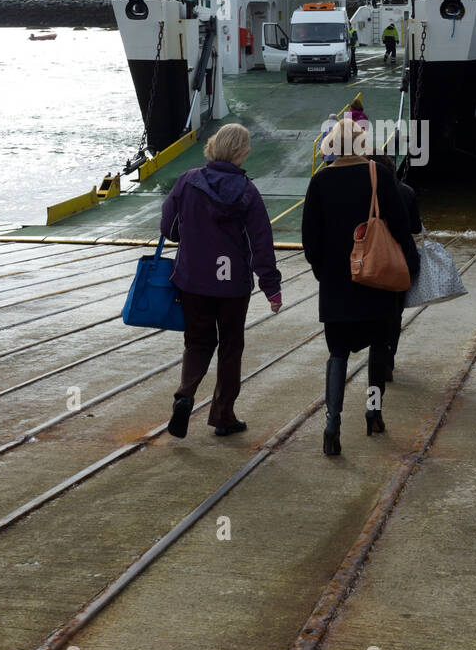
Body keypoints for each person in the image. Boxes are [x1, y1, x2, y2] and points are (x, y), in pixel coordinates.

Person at [302, 118, 418, 457]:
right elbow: (399, 226)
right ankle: (373, 412)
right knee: (379, 348)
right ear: (362, 144)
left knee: (337, 354)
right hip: (376, 280)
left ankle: (332, 424)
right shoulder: (378, 175)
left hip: (337, 284)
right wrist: (409, 268)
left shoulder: (320, 181)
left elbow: (310, 240)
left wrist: (324, 272)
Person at [160, 123, 282, 440]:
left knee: (198, 342)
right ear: (241, 152)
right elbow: (261, 243)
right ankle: (223, 416)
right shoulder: (247, 192)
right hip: (232, 285)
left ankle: (185, 396)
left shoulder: (187, 182)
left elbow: (169, 228)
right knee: (230, 347)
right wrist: (272, 287)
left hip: (193, 280)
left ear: (213, 146)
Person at [372, 151, 422, 381]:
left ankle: (377, 355)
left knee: (375, 313)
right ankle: (388, 358)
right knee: (396, 313)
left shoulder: (367, 192)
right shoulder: (407, 191)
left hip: (374, 260)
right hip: (402, 261)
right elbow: (415, 228)